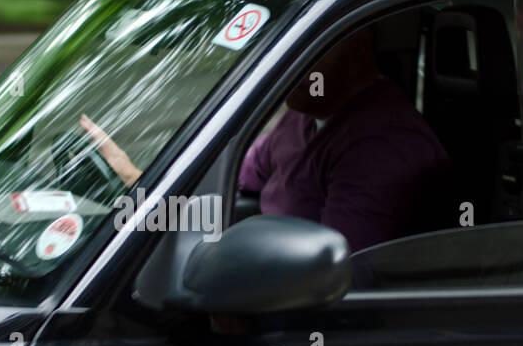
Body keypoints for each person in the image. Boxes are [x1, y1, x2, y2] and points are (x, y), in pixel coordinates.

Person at [81, 28, 453, 253]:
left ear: (355, 43)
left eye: (304, 49)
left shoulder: (382, 146)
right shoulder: (301, 116)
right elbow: (233, 184)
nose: (286, 67)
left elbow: (336, 279)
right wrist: (138, 181)